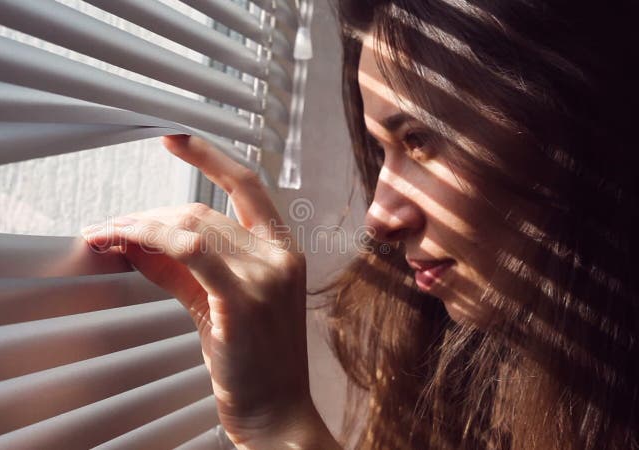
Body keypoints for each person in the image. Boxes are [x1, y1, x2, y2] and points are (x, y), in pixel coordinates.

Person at [81, 1, 638, 448]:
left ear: (576, 128)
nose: (379, 217)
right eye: (382, 151)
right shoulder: (471, 389)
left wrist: (280, 424)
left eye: (419, 141)